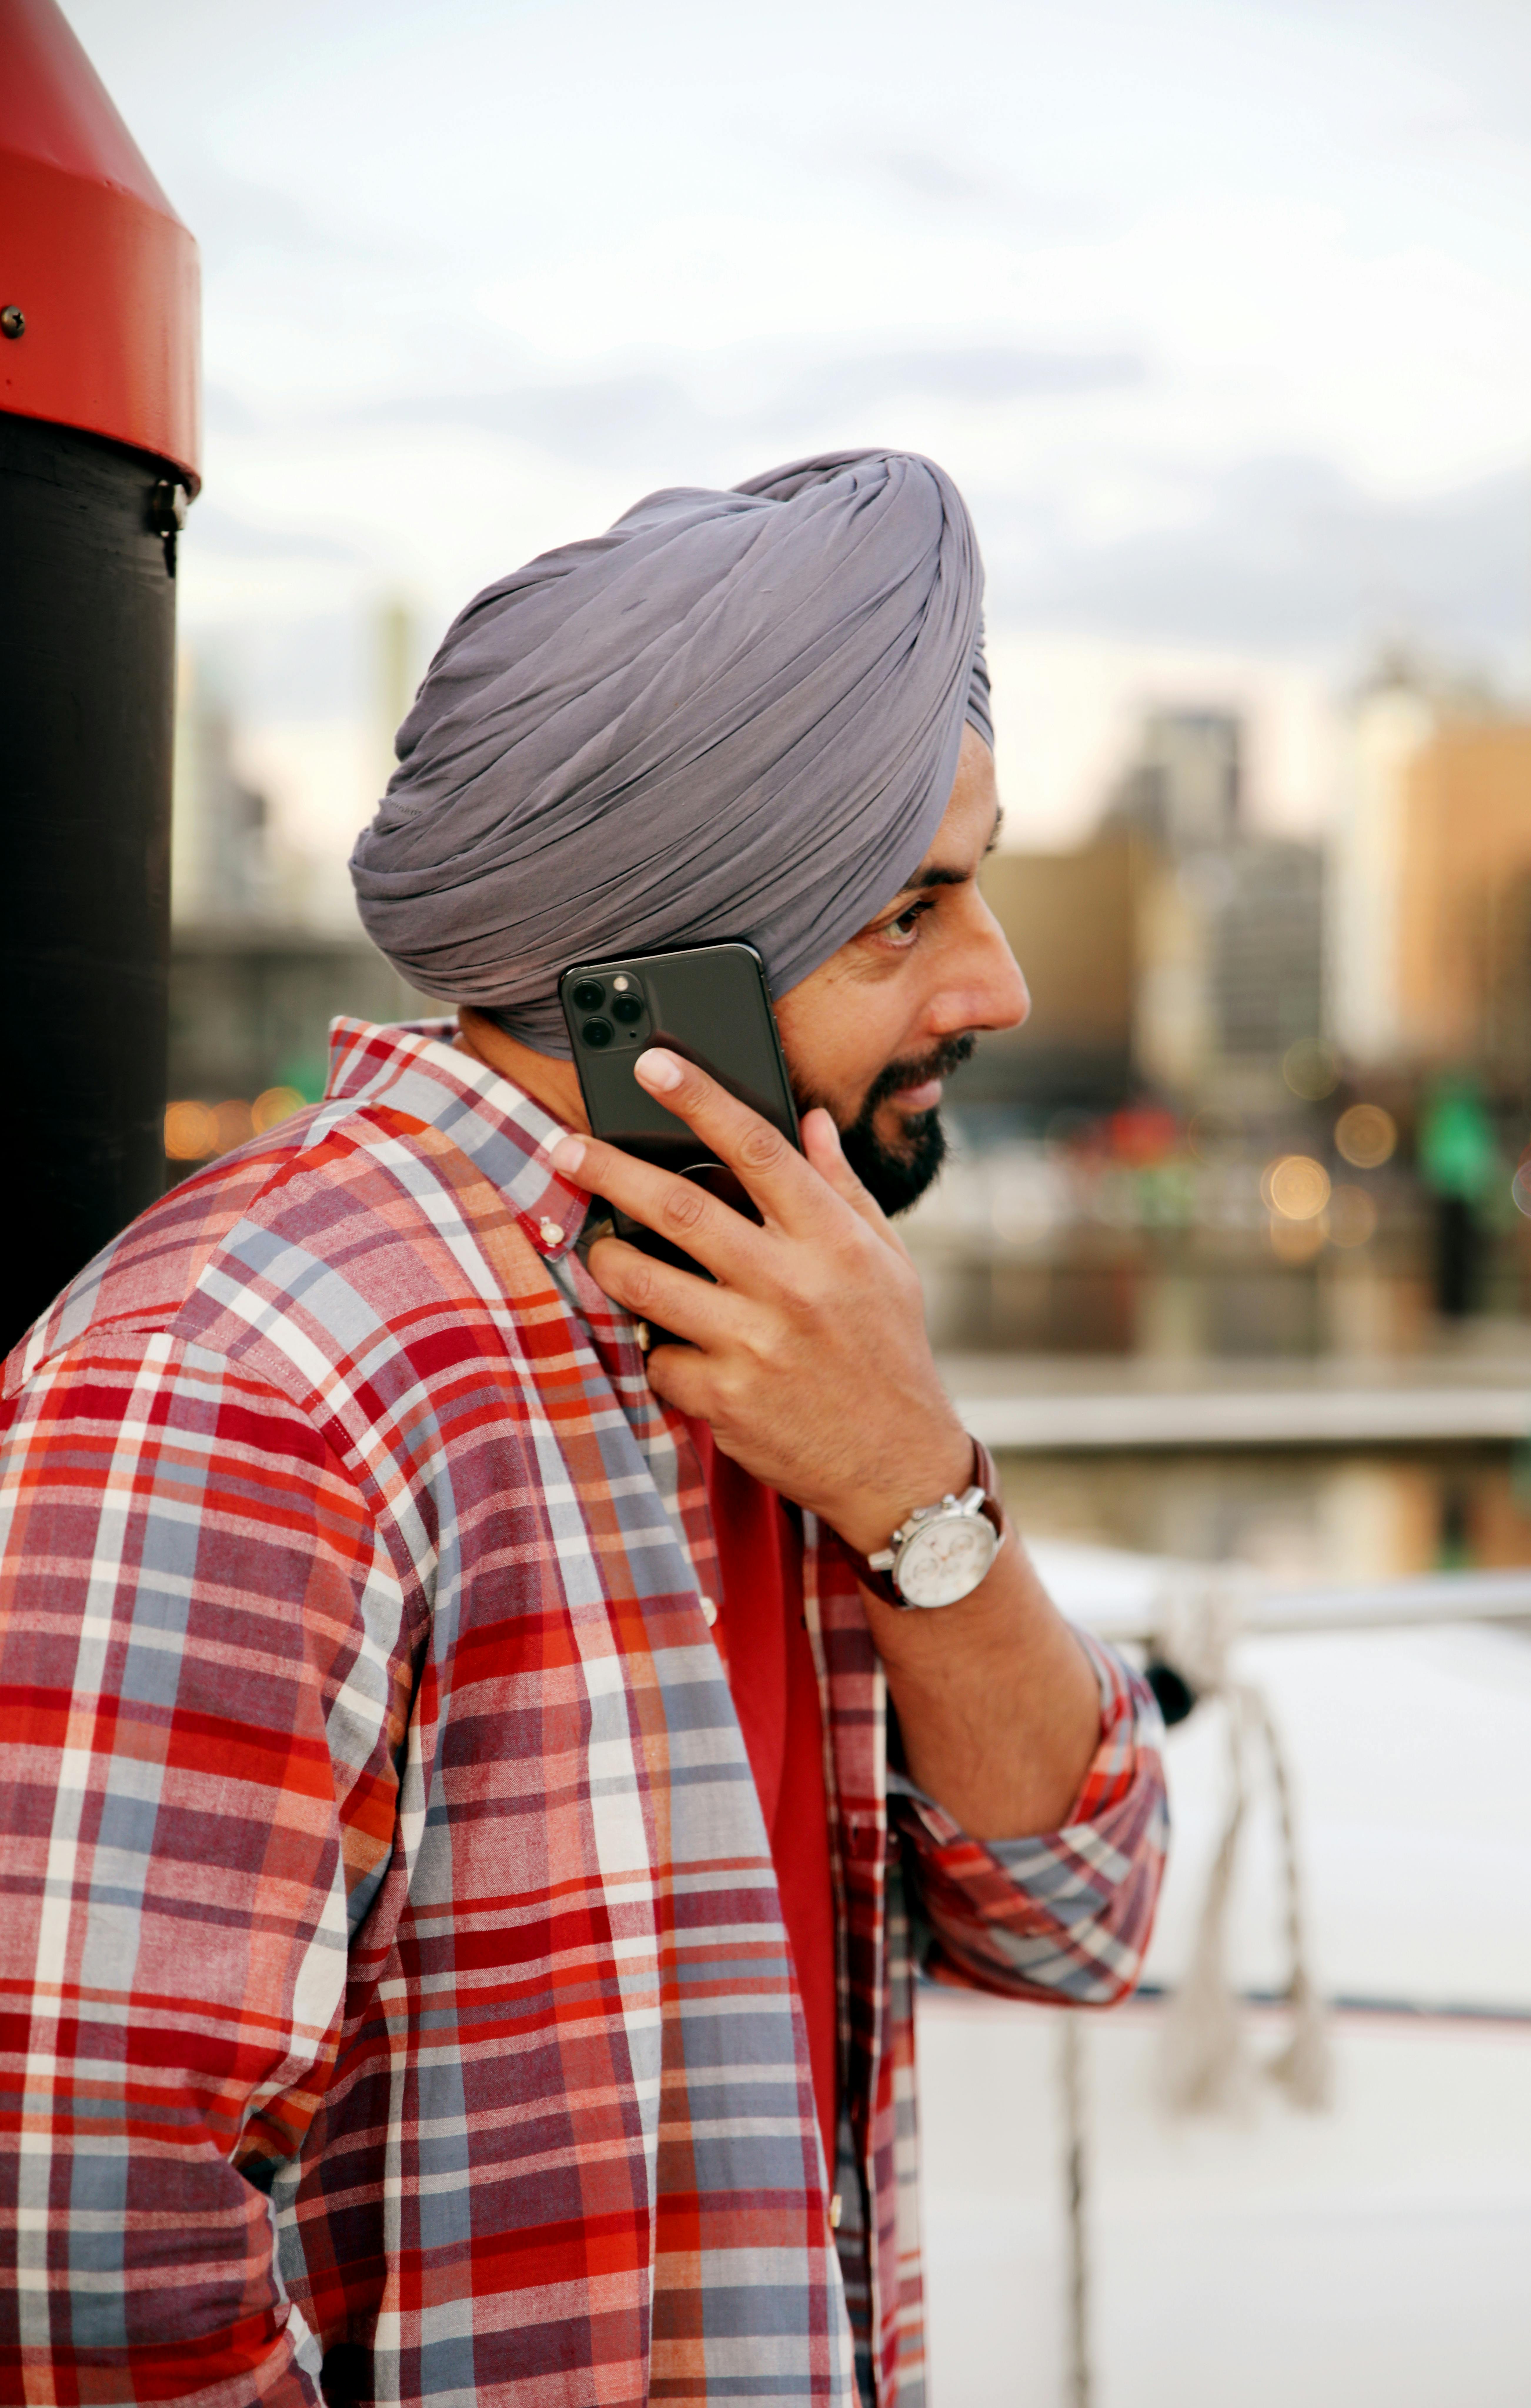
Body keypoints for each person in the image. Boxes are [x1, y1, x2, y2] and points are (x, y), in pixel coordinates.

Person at [0, 451, 1165, 2408]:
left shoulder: (802, 1340)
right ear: (670, 973)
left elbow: (1080, 1918)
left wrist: (913, 1493)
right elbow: (70, 2267)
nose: (1000, 981)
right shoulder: (250, 1380)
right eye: (906, 914)